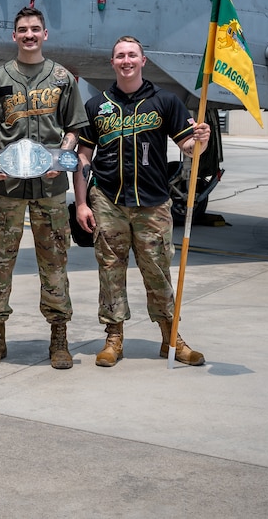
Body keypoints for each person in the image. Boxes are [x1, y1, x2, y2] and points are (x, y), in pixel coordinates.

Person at [73, 36, 211, 367]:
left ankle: (171, 337)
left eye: (132, 55)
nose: (126, 60)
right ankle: (114, 337)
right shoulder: (97, 106)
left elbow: (188, 147)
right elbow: (83, 155)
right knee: (110, 271)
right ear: (113, 63)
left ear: (143, 60)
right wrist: (81, 203)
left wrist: (200, 141)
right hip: (107, 200)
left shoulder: (165, 101)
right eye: (120, 55)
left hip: (153, 201)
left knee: (158, 271)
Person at [0, 6, 89, 369]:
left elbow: (74, 128)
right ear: (14, 36)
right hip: (6, 192)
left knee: (55, 262)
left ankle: (59, 339)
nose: (29, 35)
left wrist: (62, 156)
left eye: (35, 29)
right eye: (23, 29)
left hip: (51, 190)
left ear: (45, 34)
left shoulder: (61, 78)